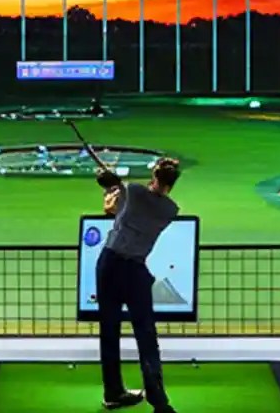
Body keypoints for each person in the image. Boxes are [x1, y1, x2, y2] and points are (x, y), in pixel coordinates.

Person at [94, 158, 181, 413]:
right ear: (172, 184)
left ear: (153, 177)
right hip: (134, 270)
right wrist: (115, 185)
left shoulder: (133, 190)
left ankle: (113, 393)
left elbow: (111, 209)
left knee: (109, 331)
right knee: (146, 335)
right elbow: (124, 206)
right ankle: (159, 402)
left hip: (109, 264)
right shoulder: (170, 210)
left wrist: (109, 183)